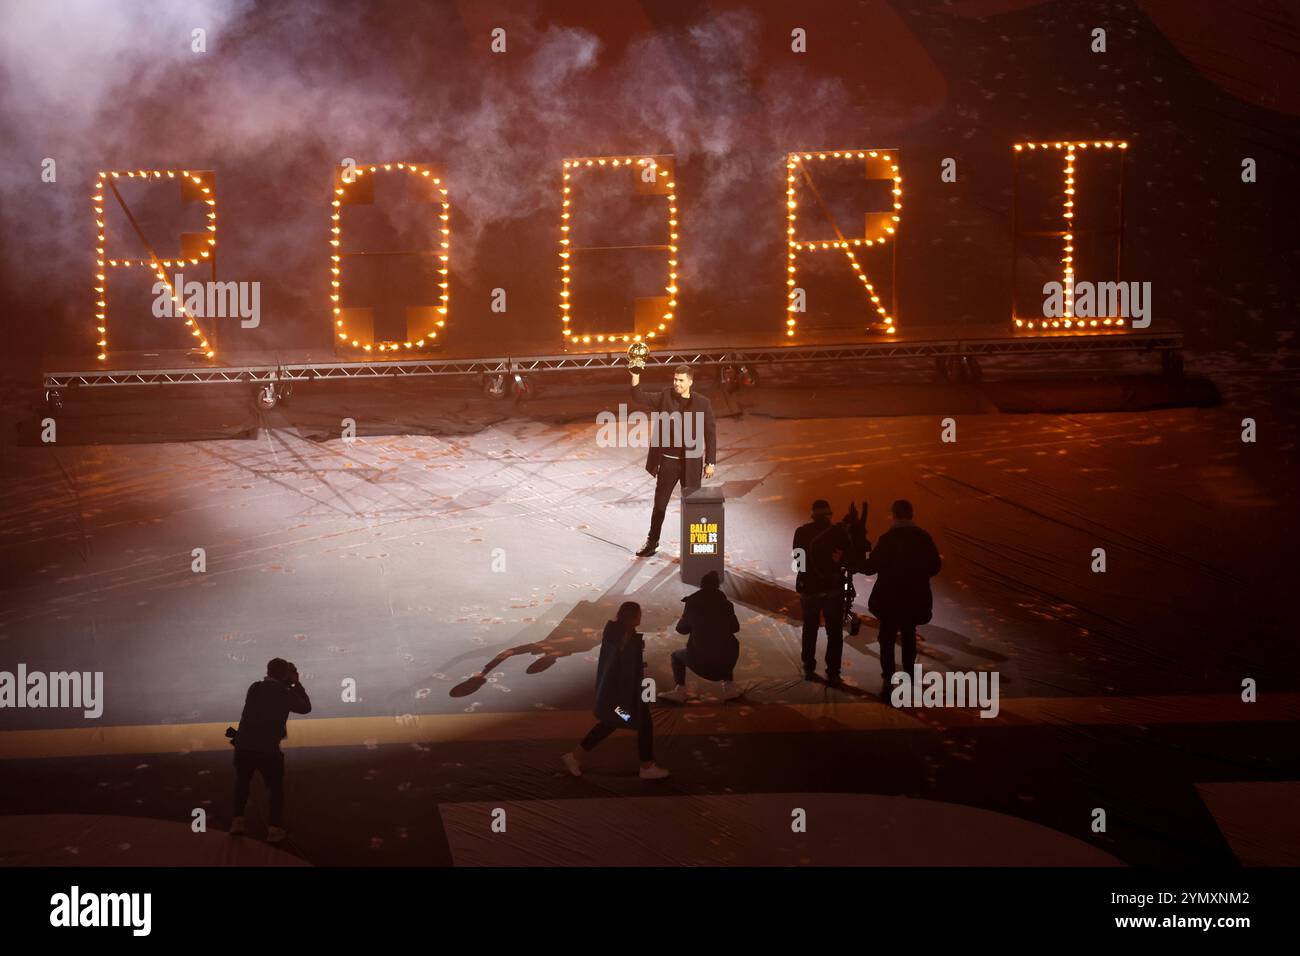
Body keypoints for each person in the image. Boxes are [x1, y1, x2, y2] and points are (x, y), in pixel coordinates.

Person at [562, 602, 670, 780]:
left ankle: (575, 756)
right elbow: (626, 674)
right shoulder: (628, 641)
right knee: (633, 722)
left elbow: (617, 665)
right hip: (623, 699)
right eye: (639, 614)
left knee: (613, 723)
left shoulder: (614, 632)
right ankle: (647, 766)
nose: (640, 618)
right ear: (634, 617)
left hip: (612, 697)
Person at [629, 363, 717, 557]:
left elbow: (710, 433)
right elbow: (638, 396)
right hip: (668, 462)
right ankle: (652, 543)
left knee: (692, 505)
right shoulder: (665, 396)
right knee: (660, 505)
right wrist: (635, 375)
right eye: (675, 379)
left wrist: (710, 462)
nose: (676, 383)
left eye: (681, 380)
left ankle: (694, 548)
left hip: (691, 463)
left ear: (690, 382)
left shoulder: (703, 403)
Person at [862, 499, 942, 689]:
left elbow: (871, 567)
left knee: (887, 638)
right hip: (914, 597)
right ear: (911, 514)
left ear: (894, 515)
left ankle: (888, 678)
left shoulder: (888, 539)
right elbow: (935, 566)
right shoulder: (923, 537)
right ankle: (909, 676)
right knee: (908, 636)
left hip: (889, 598)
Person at [229, 658, 312, 843]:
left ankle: (237, 822)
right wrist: (296, 683)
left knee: (242, 782)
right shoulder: (284, 693)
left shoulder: (254, 688)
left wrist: (286, 682)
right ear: (284, 674)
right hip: (268, 748)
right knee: (275, 788)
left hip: (244, 745)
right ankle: (274, 829)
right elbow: (306, 707)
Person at [792, 500, 851, 684]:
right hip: (833, 591)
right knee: (834, 631)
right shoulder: (839, 533)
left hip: (810, 591)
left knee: (810, 628)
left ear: (813, 515)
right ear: (829, 515)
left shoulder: (801, 532)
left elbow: (797, 563)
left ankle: (808, 664)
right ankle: (833, 669)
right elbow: (848, 560)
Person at [660, 570, 742, 702]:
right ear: (718, 586)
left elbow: (681, 629)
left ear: (701, 586)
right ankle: (730, 688)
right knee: (724, 643)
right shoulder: (727, 605)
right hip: (727, 662)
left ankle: (680, 691)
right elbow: (735, 628)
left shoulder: (693, 603)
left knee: (676, 656)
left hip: (702, 663)